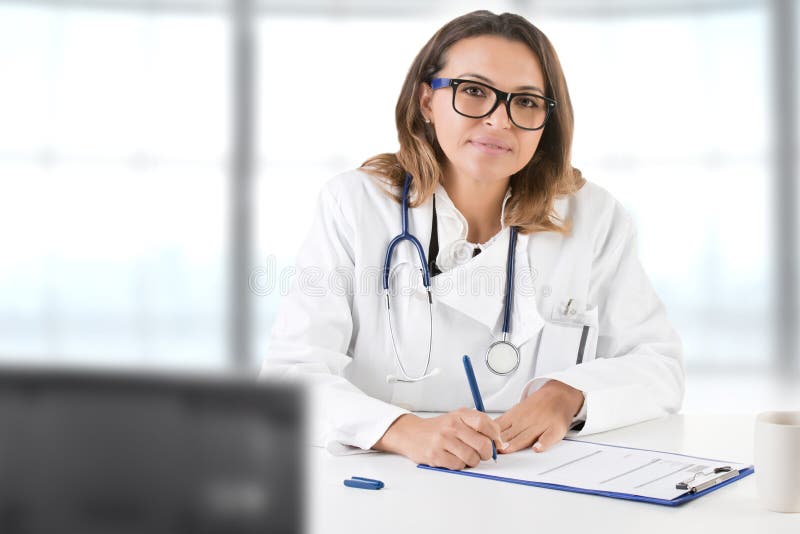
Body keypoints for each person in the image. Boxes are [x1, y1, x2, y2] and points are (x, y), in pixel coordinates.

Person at [260, 10, 684, 471]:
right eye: (475, 92)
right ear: (427, 102)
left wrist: (570, 394)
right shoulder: (356, 205)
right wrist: (404, 431)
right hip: (388, 479)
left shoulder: (591, 216)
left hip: (537, 477)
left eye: (525, 101)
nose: (500, 120)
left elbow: (660, 366)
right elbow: (289, 377)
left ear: (546, 121)